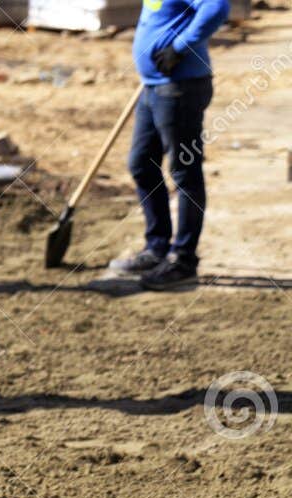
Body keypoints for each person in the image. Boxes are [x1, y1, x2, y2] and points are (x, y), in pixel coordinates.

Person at [108, 0, 230, 291]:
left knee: (184, 173)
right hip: (153, 87)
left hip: (180, 87)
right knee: (141, 165)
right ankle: (157, 247)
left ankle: (183, 260)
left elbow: (217, 7)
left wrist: (179, 47)